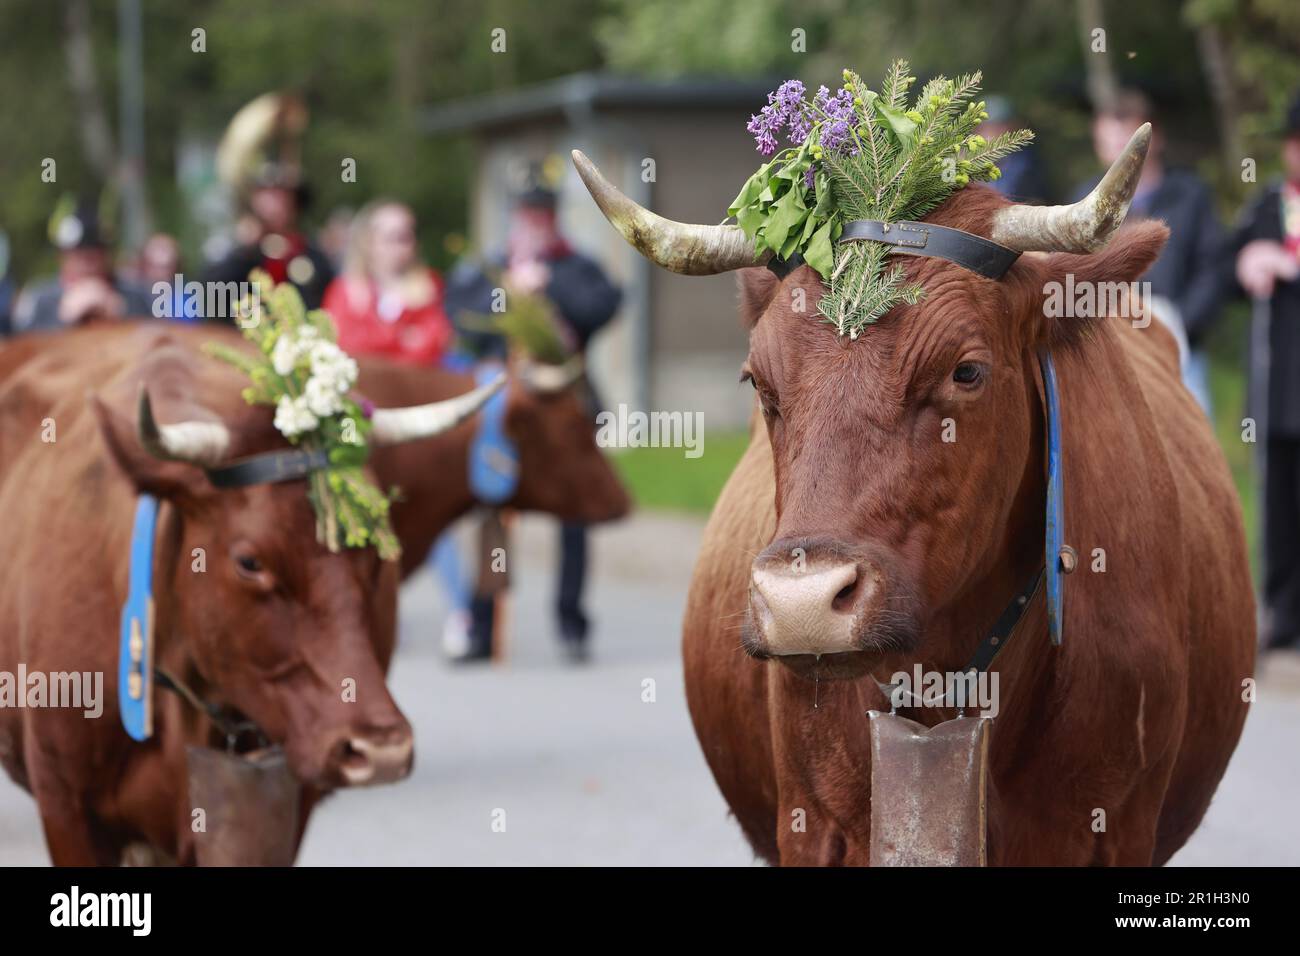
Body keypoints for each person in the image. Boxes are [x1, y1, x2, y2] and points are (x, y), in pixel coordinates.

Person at [444, 159, 622, 662]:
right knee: (490, 509)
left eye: (543, 211)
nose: (535, 220)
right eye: (527, 211)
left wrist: (547, 286)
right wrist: (511, 291)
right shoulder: (489, 269)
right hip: (506, 412)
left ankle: (571, 623)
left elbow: (602, 307)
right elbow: (465, 321)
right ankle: (481, 625)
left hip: (565, 409)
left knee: (573, 515)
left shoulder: (575, 267)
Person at [1072, 89, 1224, 414]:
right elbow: (1073, 272)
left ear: (1155, 139)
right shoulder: (1084, 202)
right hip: (1111, 351)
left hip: (1182, 352)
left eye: (1125, 141)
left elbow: (1213, 267)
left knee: (1192, 446)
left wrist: (1182, 321)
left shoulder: (1190, 196)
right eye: (1107, 142)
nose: (1116, 152)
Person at [1230, 91, 1300, 653]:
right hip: (1278, 388)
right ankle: (1281, 611)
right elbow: (1230, 265)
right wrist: (1248, 259)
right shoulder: (1268, 205)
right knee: (1277, 500)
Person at [322, 200, 453, 364]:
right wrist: (401, 338)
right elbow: (341, 345)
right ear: (368, 242)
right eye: (391, 238)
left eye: (406, 238)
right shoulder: (344, 290)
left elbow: (433, 346)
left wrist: (375, 340)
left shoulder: (430, 287)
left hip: (415, 385)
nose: (399, 247)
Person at [203, 164, 334, 314]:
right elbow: (212, 298)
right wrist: (244, 251)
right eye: (266, 196)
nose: (274, 206)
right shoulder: (239, 253)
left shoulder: (311, 254)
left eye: (281, 196)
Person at [11, 198, 151, 334]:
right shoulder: (41, 298)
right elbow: (23, 346)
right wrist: (63, 319)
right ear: (61, 257)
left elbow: (153, 335)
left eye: (94, 256)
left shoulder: (133, 295)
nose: (88, 265)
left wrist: (122, 313)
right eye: (80, 257)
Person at [979, 96, 1049, 203]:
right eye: (986, 127)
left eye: (999, 127)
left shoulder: (1026, 167)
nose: (991, 134)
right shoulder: (963, 165)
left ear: (1013, 128)